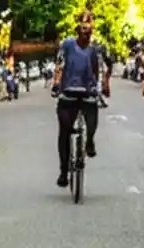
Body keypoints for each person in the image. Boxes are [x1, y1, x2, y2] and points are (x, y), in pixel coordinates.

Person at [51, 12, 112, 187]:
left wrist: (106, 84)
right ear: (78, 28)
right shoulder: (68, 44)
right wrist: (56, 83)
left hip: (89, 91)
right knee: (64, 130)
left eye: (89, 27)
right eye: (83, 27)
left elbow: (107, 65)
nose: (86, 31)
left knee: (92, 118)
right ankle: (64, 171)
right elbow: (60, 64)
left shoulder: (97, 47)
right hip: (68, 91)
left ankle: (90, 140)